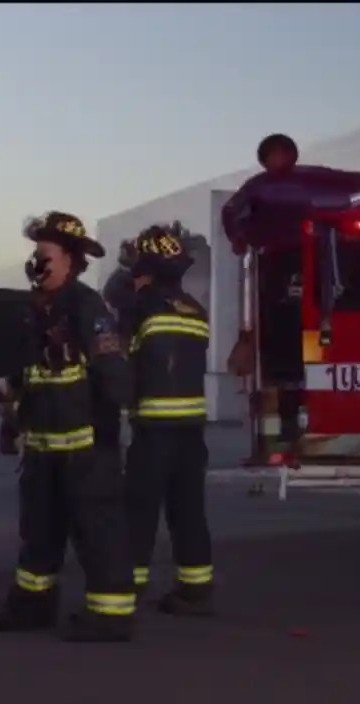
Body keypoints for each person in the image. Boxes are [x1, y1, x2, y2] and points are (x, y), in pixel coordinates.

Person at [0, 211, 137, 642]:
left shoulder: (86, 306)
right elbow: (22, 375)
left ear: (70, 261)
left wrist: (113, 429)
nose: (37, 262)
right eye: (35, 254)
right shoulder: (33, 311)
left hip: (86, 449)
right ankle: (32, 607)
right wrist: (10, 421)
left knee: (97, 530)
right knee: (38, 531)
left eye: (45, 255)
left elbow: (113, 373)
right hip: (41, 448)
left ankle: (110, 616)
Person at [123, 225, 215, 616]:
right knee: (189, 510)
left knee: (139, 511)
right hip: (192, 429)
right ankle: (195, 589)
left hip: (153, 429)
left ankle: (127, 587)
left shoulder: (140, 306)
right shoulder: (195, 307)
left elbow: (120, 363)